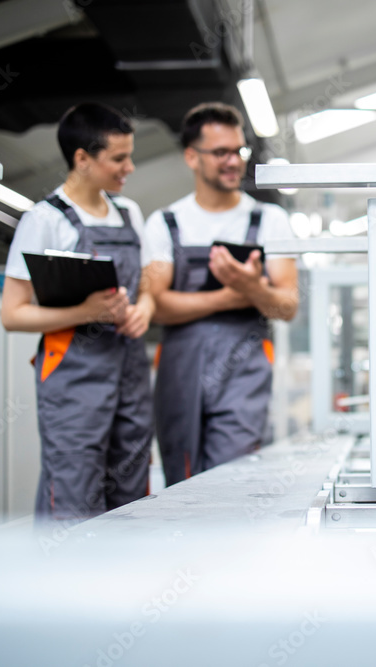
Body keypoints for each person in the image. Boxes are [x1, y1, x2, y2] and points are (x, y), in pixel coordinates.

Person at [0, 102, 154, 522]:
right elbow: (12, 314)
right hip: (72, 371)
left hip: (130, 368)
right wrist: (85, 311)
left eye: (130, 155)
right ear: (82, 159)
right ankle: (64, 585)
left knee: (132, 487)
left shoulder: (130, 213)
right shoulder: (45, 220)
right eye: (119, 158)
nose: (130, 168)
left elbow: (149, 282)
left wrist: (145, 306)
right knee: (74, 490)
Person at [143, 102, 298, 485]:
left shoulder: (269, 221)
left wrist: (251, 287)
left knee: (234, 478)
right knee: (181, 477)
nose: (234, 161)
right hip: (179, 368)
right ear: (192, 157)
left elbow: (288, 304)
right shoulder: (165, 223)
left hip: (243, 365)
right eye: (221, 152)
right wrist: (233, 295)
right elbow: (157, 305)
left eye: (239, 151)